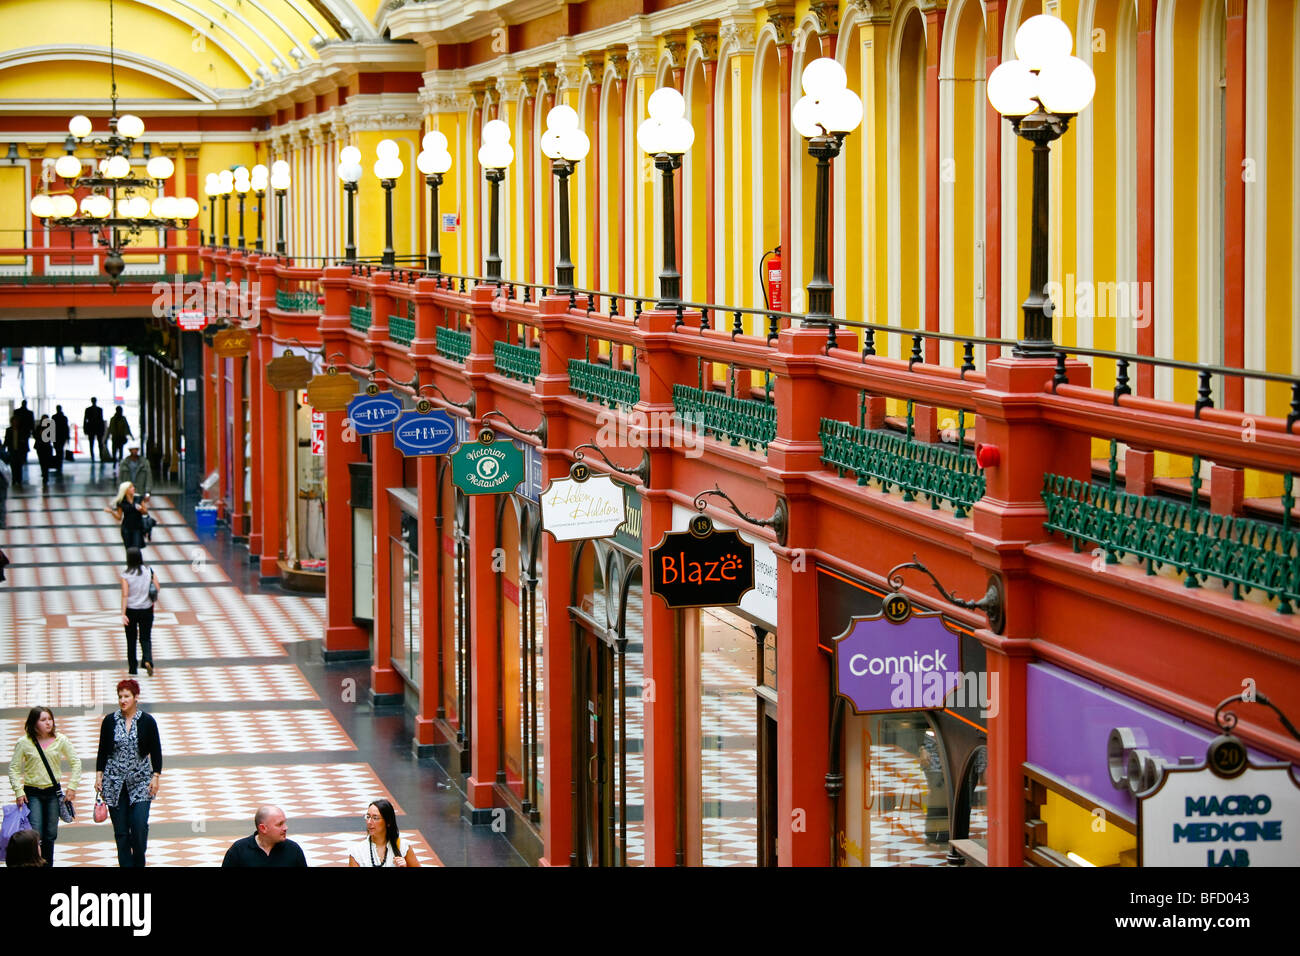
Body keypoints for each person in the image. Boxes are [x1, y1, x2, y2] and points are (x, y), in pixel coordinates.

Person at [95, 679, 162, 868]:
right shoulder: (110, 721)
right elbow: (102, 750)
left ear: (135, 698)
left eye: (127, 696)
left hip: (141, 780)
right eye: (120, 697)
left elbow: (156, 750)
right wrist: (99, 774)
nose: (123, 700)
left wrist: (156, 776)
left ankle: (139, 862)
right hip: (114, 782)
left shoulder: (147, 721)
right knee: (122, 832)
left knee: (139, 826)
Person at [8, 706, 81, 867]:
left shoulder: (60, 740)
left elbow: (76, 762)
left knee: (50, 834)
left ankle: (48, 864)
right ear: (34, 724)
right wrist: (18, 791)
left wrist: (72, 786)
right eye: (43, 720)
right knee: (36, 833)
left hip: (52, 792)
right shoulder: (24, 742)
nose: (48, 723)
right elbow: (13, 768)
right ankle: (35, 864)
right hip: (32, 792)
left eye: (50, 719)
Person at [221, 806, 308, 867]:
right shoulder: (239, 850)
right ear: (263, 828)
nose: (285, 828)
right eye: (279, 824)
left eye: (284, 822)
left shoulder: (293, 850)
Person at [348, 798, 420, 867]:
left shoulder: (403, 847)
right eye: (368, 816)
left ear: (388, 822)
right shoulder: (357, 852)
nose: (369, 822)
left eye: (375, 818)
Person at [120, 547, 157, 677]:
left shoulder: (125, 575)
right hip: (147, 609)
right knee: (145, 637)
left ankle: (132, 667)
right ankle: (147, 660)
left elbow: (125, 594)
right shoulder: (149, 571)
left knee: (131, 639)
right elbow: (157, 587)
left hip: (131, 610)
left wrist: (123, 613)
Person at [105, 481, 148, 555]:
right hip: (126, 528)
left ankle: (138, 565)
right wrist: (112, 512)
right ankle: (130, 565)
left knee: (136, 549)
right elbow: (119, 517)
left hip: (137, 527)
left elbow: (145, 512)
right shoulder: (121, 502)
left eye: (133, 487)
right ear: (125, 490)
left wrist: (140, 509)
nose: (133, 488)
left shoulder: (138, 498)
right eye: (131, 487)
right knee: (129, 549)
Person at [33, 414, 55, 488]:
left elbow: (52, 437)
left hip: (46, 447)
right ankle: (44, 473)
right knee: (42, 461)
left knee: (45, 461)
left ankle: (45, 474)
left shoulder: (50, 427)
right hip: (40, 447)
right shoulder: (39, 427)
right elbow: (35, 435)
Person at [83, 398, 105, 465]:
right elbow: (101, 420)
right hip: (97, 429)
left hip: (91, 428)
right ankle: (100, 456)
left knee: (92, 444)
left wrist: (85, 429)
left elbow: (85, 420)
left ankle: (93, 457)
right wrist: (103, 429)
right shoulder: (99, 409)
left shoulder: (88, 410)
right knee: (99, 444)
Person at [52, 405, 69, 476]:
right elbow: (66, 428)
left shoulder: (54, 417)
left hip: (56, 436)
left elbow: (52, 427)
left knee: (57, 450)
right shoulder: (64, 418)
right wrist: (67, 437)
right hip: (62, 436)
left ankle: (58, 464)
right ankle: (60, 464)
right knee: (60, 450)